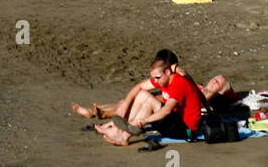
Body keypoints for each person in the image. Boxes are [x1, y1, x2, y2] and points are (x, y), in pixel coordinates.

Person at [74, 50, 205, 146]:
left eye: (158, 77)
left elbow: (166, 111)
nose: (156, 81)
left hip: (186, 130)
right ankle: (119, 130)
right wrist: (125, 104)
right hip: (175, 121)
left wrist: (144, 121)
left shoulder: (179, 83)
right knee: (142, 94)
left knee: (148, 102)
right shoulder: (163, 79)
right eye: (154, 77)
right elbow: (139, 86)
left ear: (167, 72)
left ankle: (123, 135)